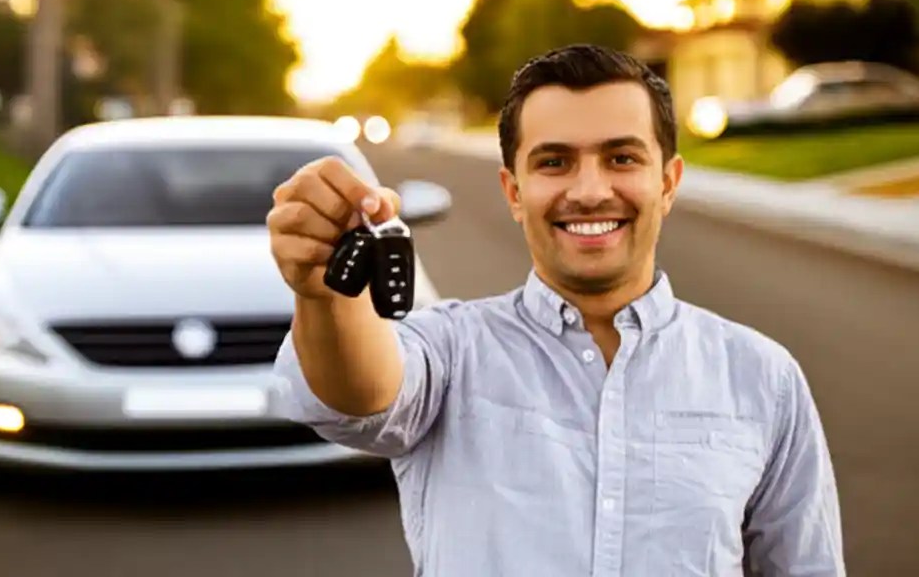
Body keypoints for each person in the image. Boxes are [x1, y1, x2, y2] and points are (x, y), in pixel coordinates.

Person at [265, 44, 845, 576]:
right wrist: (323, 294)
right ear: (513, 191)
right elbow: (357, 395)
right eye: (553, 163)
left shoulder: (763, 378)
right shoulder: (449, 350)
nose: (590, 190)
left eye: (621, 158)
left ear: (667, 183)